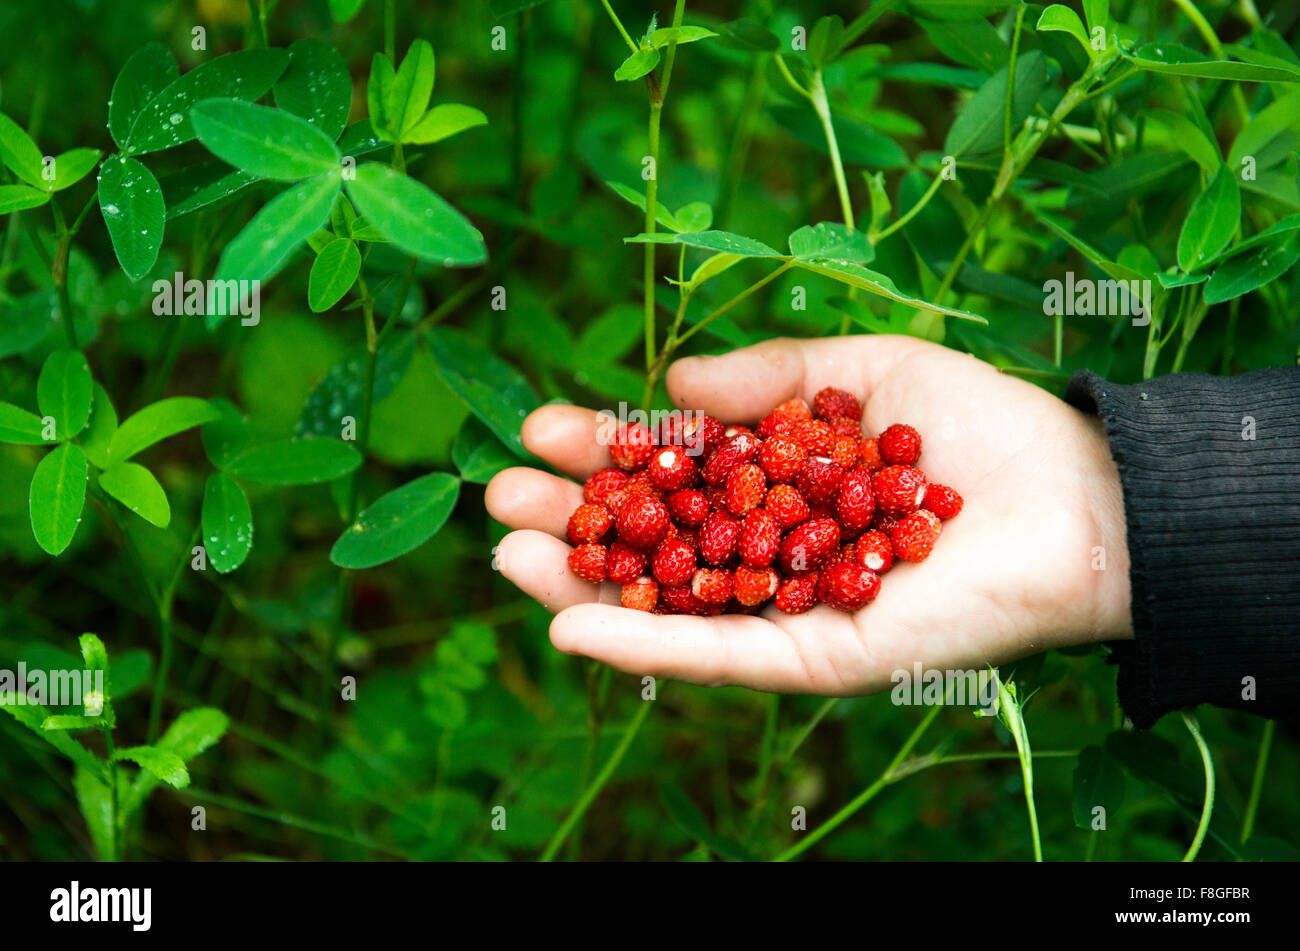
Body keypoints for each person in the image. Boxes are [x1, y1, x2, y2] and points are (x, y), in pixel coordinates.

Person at [485, 335, 1300, 727]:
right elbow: (718, 516)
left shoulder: (852, 484)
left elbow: (846, 498)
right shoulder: (731, 494)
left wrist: (1100, 506)